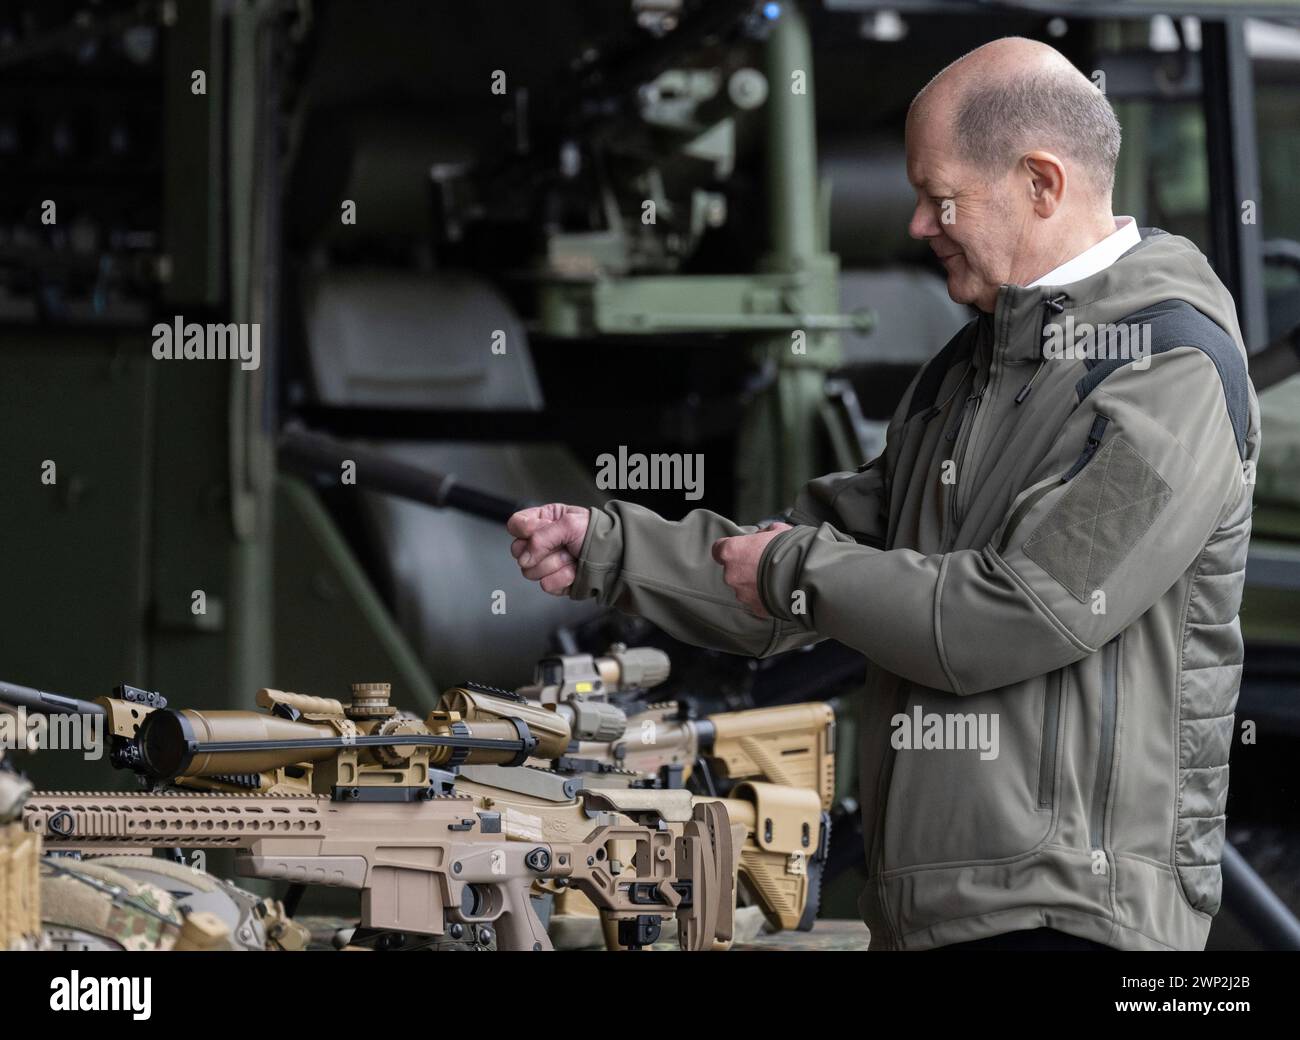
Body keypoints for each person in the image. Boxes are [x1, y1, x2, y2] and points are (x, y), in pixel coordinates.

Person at [507, 37, 1260, 951]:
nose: (916, 225)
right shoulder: (971, 368)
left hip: (1070, 920)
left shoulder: (1169, 370)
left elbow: (1017, 614)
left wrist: (792, 568)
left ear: (1042, 184)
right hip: (934, 916)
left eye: (940, 196)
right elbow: (794, 572)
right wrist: (609, 545)